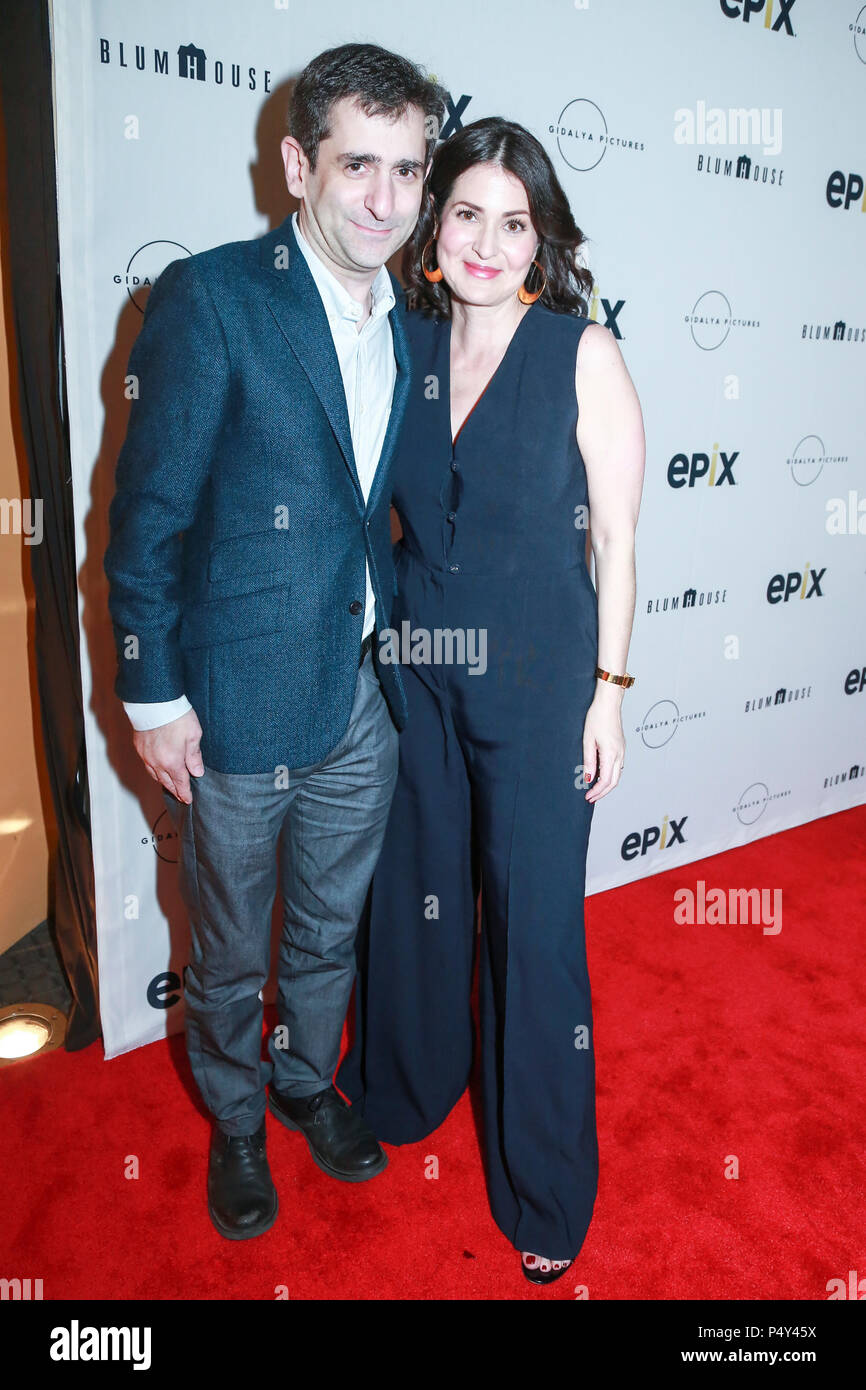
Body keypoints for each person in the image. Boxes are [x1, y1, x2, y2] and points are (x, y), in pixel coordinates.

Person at [103, 43, 445, 1240]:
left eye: (407, 169)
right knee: (233, 943)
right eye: (358, 162)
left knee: (327, 928)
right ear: (298, 162)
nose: (384, 198)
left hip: (358, 691)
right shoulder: (215, 297)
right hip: (235, 697)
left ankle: (305, 1083)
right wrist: (153, 699)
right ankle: (238, 1120)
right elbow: (146, 517)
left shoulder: (407, 316)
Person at [336, 117, 645, 1284]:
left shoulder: (581, 352)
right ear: (432, 223)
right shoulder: (398, 347)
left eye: (514, 222)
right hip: (415, 670)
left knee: (532, 939)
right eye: (466, 211)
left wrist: (608, 698)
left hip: (538, 685)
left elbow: (615, 543)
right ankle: (404, 1092)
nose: (486, 240)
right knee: (407, 897)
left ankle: (542, 1193)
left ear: (539, 240)